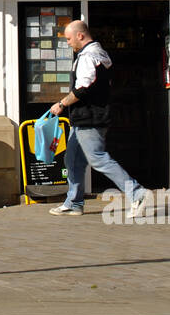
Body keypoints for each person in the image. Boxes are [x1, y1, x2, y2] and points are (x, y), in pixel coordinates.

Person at [47, 20, 149, 218]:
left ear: (80, 35)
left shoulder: (88, 56)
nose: (68, 43)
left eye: (69, 39)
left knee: (98, 159)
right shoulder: (98, 53)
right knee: (73, 160)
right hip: (84, 118)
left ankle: (137, 193)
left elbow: (84, 87)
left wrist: (62, 104)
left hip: (90, 118)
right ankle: (74, 203)